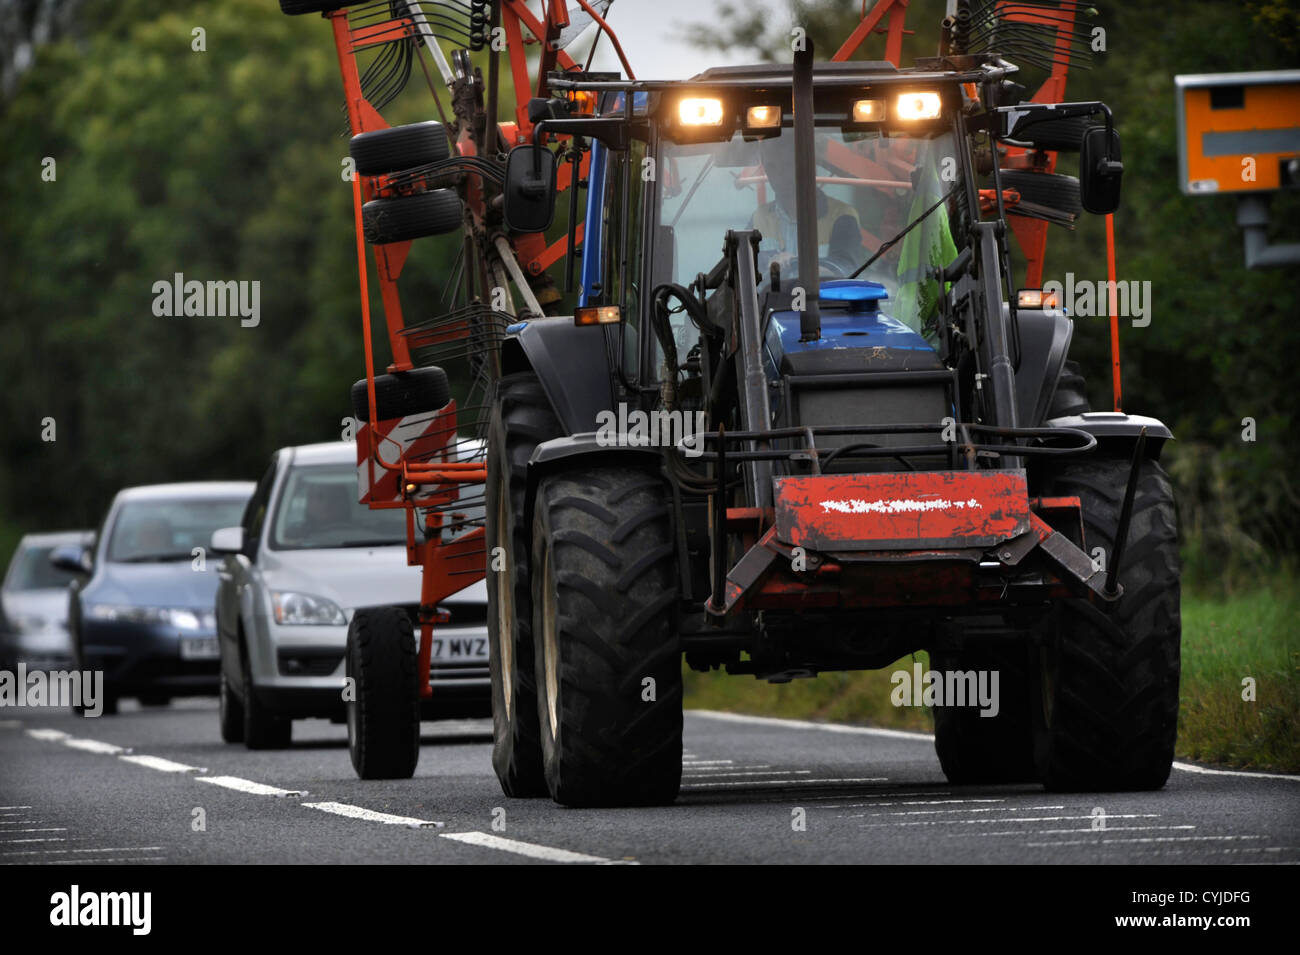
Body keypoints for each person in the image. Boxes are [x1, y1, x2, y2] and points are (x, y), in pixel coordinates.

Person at [752, 135, 863, 275]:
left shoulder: (842, 216)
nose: (779, 175)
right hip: (770, 297)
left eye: (786, 165)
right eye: (772, 167)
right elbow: (743, 267)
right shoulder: (759, 218)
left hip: (823, 297)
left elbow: (846, 269)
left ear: (803, 165)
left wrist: (796, 263)